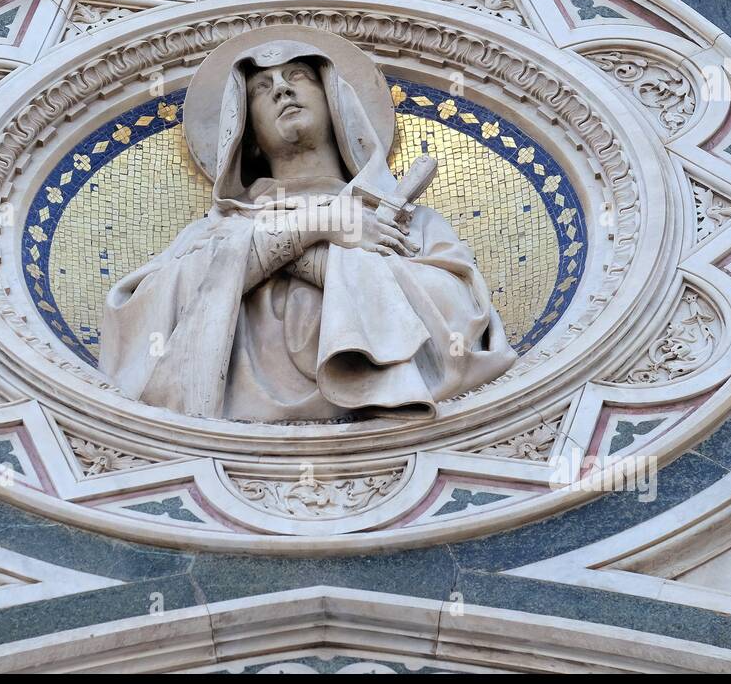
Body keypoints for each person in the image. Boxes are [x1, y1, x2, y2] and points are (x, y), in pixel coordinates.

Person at [99, 33, 516, 421]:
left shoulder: (416, 222)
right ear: (249, 136)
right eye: (262, 88)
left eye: (297, 76)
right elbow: (144, 322)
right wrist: (320, 226)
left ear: (334, 103)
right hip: (230, 432)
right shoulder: (215, 230)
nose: (281, 88)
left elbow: (456, 314)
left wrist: (303, 258)